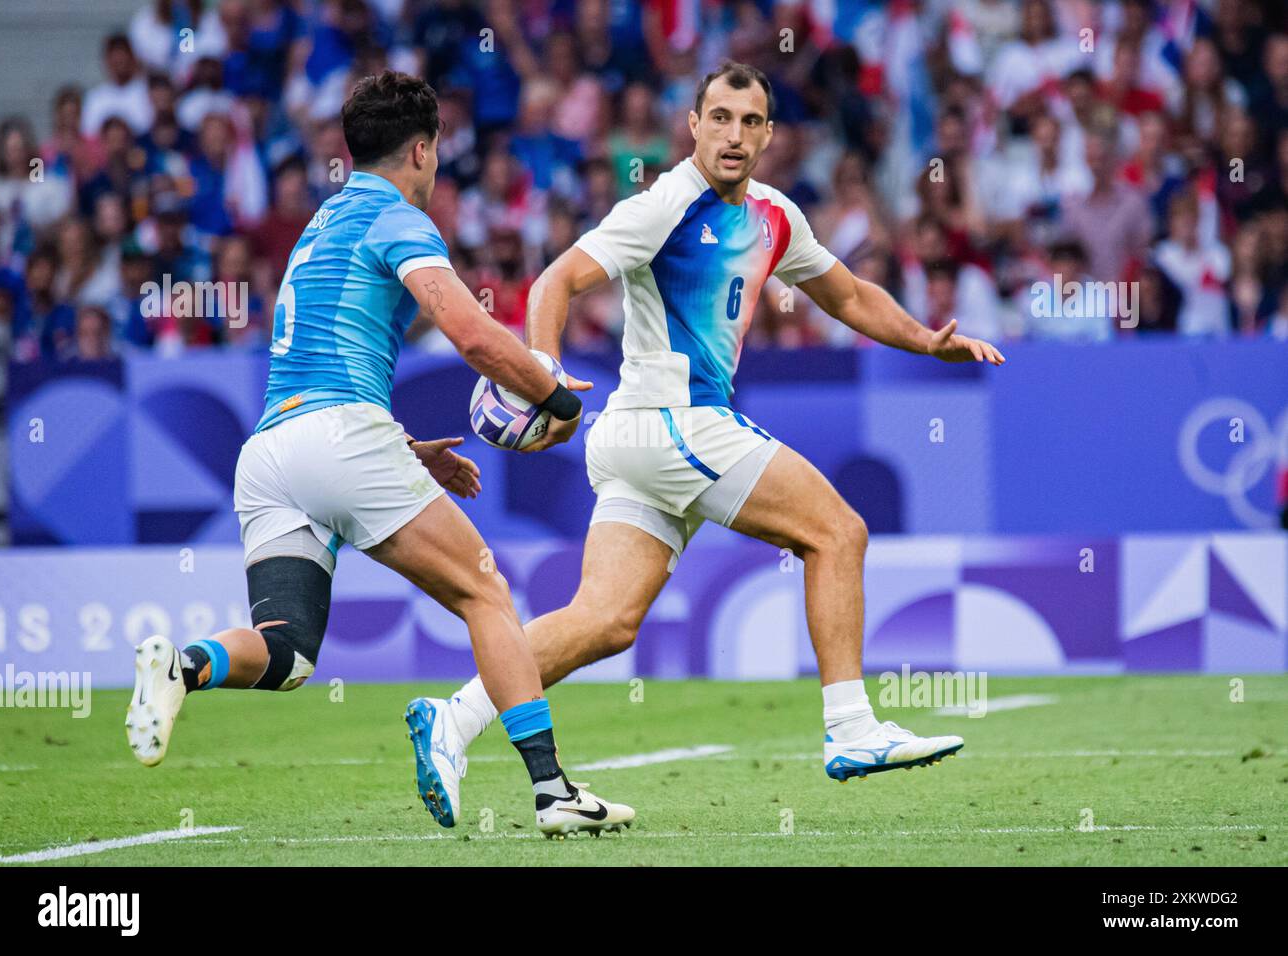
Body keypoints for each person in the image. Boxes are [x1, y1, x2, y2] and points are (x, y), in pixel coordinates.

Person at [416, 62, 1005, 810]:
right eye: (718, 117)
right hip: (674, 420)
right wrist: (543, 370)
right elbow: (558, 278)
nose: (732, 134)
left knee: (605, 621)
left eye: (749, 121)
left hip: (639, 438)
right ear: (692, 125)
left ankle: (452, 719)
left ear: (768, 135)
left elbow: (847, 294)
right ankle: (851, 725)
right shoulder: (664, 203)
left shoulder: (774, 215)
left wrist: (926, 340)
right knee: (837, 532)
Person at [123, 71, 633, 838]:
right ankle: (551, 789)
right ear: (422, 150)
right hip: (338, 439)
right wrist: (557, 394)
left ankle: (183, 666)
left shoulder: (320, 224)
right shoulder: (398, 219)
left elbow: (329, 358)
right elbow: (470, 334)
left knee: (289, 652)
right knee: (485, 595)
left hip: (270, 450)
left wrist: (401, 450)